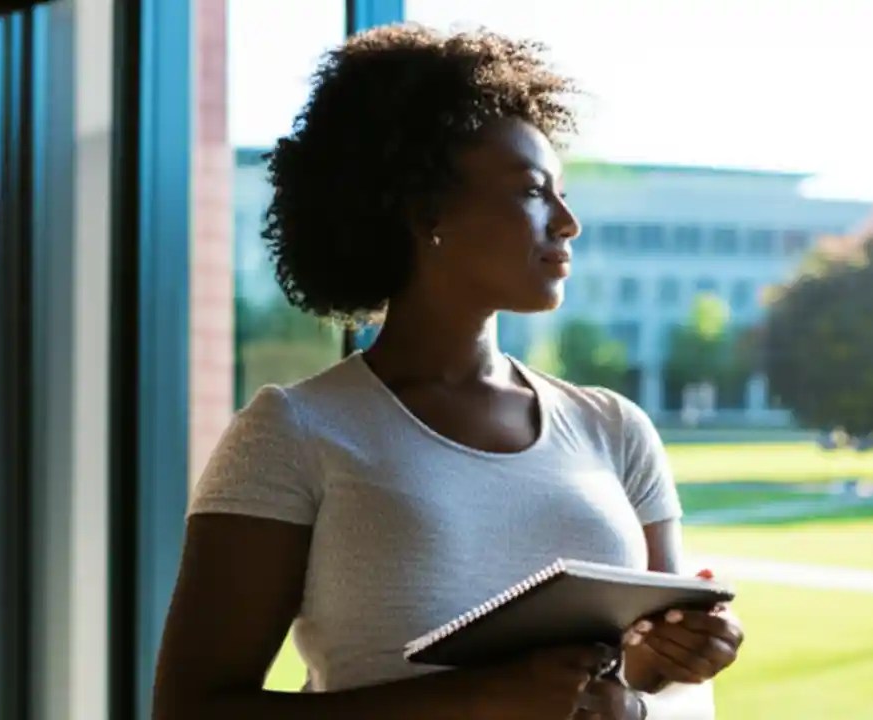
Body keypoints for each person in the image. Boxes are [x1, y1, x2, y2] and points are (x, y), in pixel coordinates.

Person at [153, 23, 744, 720]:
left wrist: (677, 658)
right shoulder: (293, 433)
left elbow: (653, 674)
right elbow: (191, 707)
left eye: (561, 191)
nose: (567, 222)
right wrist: (480, 695)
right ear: (426, 210)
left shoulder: (614, 428)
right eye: (532, 191)